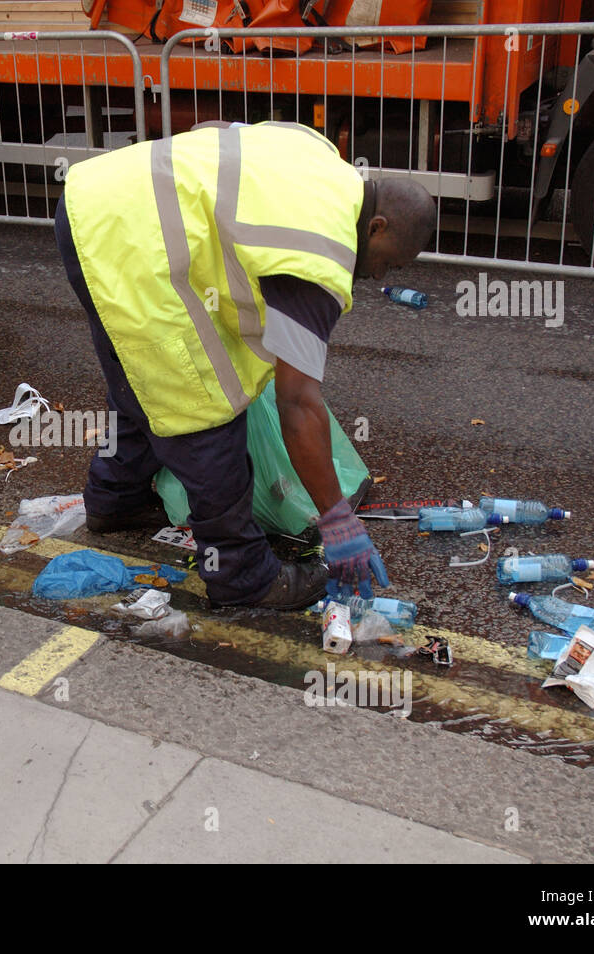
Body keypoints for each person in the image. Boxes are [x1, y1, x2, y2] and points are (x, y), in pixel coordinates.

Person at [55, 121, 436, 609]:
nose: (381, 274)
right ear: (377, 227)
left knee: (140, 373)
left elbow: (213, 135)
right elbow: (297, 404)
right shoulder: (323, 253)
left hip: (92, 207)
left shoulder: (319, 154)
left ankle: (115, 502)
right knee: (201, 406)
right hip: (129, 239)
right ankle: (242, 576)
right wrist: (337, 518)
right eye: (391, 263)